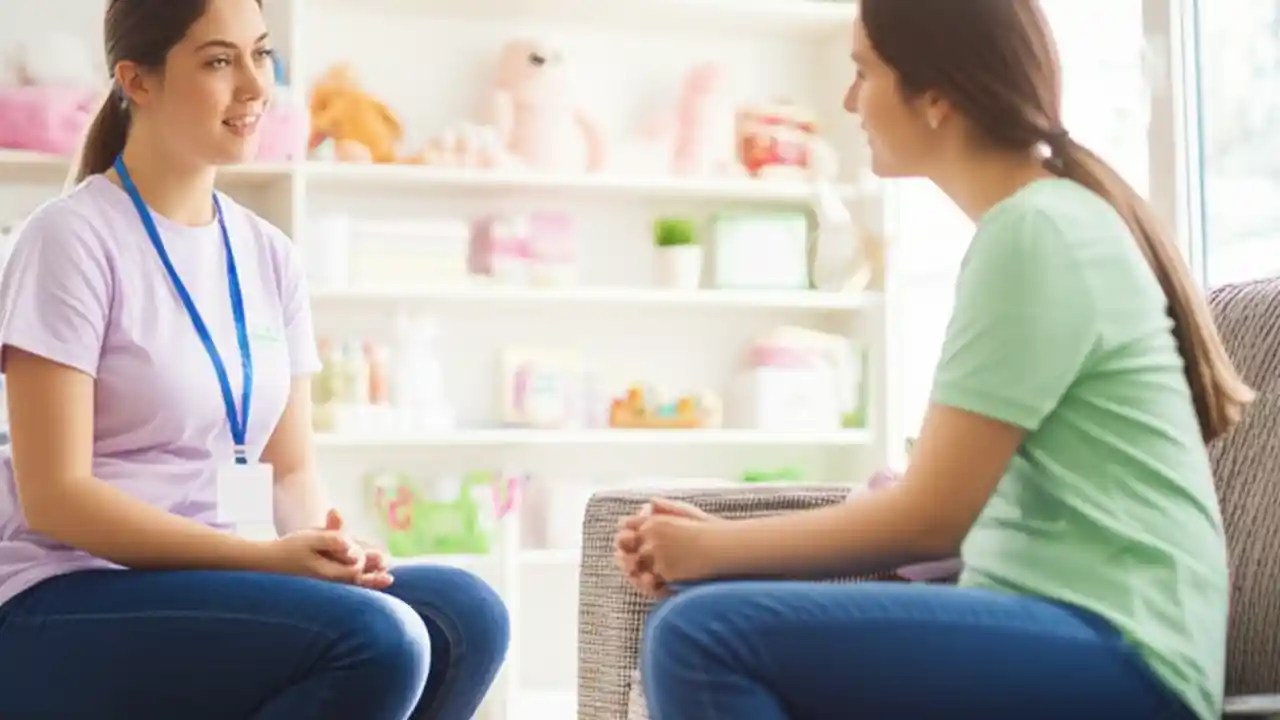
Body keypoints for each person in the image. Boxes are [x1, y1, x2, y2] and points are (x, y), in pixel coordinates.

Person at [615, 2, 1253, 719]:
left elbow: (931, 518)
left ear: (938, 97)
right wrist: (715, 552)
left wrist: (717, 547)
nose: (850, 99)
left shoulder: (1037, 233)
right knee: (704, 618)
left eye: (864, 72)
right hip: (1069, 626)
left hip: (1128, 652)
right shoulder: (1038, 223)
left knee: (703, 637)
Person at [0, 1, 508, 718]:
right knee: (381, 639)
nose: (255, 86)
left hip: (221, 579)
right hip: (68, 591)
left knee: (465, 614)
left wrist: (328, 546)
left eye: (261, 55)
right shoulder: (70, 240)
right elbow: (54, 496)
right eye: (217, 60)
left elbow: (290, 469)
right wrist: (262, 560)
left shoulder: (268, 254)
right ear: (137, 82)